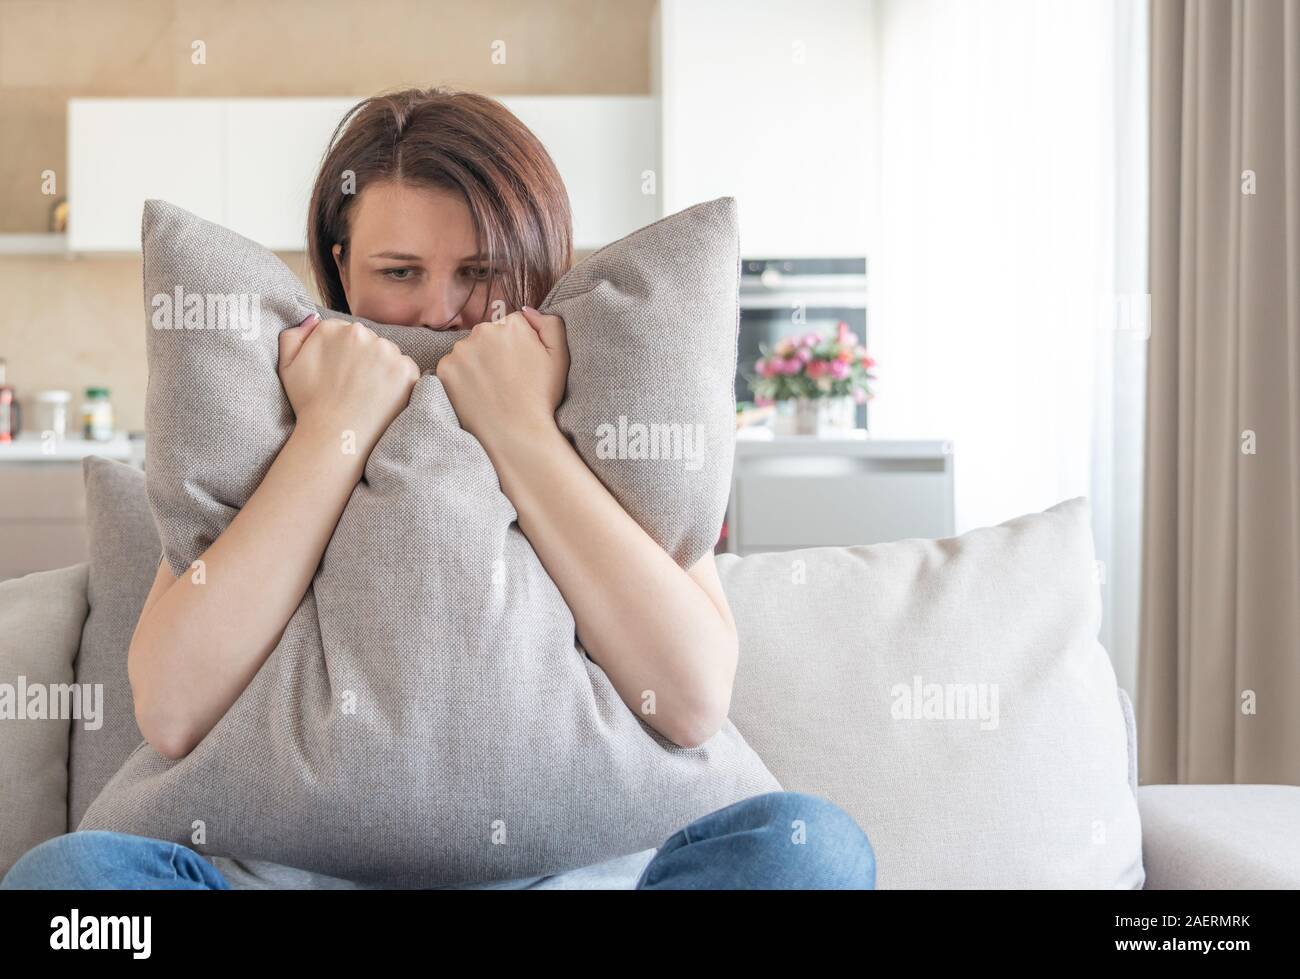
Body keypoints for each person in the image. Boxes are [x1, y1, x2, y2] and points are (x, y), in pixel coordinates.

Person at [0, 87, 875, 891]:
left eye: (482, 272)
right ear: (341, 270)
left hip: (576, 876)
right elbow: (173, 707)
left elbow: (688, 700)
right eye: (400, 271)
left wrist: (523, 432)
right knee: (67, 886)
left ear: (540, 265)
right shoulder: (269, 409)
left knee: (816, 854)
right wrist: (330, 434)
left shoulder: (609, 412)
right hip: (282, 876)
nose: (442, 312)